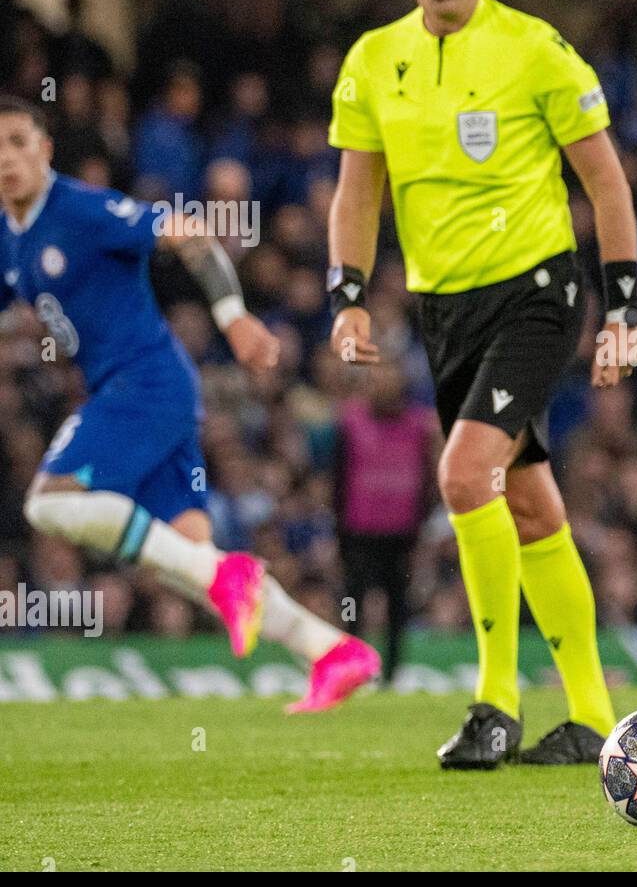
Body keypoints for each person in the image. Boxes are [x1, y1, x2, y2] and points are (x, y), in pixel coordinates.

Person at [327, 0, 637, 767]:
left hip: (536, 292)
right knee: (534, 508)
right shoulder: (370, 61)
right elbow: (357, 194)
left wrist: (621, 308)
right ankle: (590, 715)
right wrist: (348, 296)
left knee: (467, 477)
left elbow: (607, 184)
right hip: (442, 310)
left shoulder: (535, 49)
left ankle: (495, 703)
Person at [0, 95, 378, 712]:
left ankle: (236, 580)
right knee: (191, 560)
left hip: (144, 384)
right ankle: (332, 651)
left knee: (49, 502)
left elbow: (190, 234)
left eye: (19, 142)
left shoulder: (83, 210)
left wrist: (233, 320)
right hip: (139, 391)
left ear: (44, 150)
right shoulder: (9, 241)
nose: (7, 158)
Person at [336, 361, 437, 682]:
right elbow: (338, 476)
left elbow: (426, 479)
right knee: (353, 600)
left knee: (397, 603)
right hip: (358, 529)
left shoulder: (419, 427)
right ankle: (351, 666)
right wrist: (339, 526)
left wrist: (421, 525)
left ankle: (392, 673)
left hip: (401, 531)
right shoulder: (351, 423)